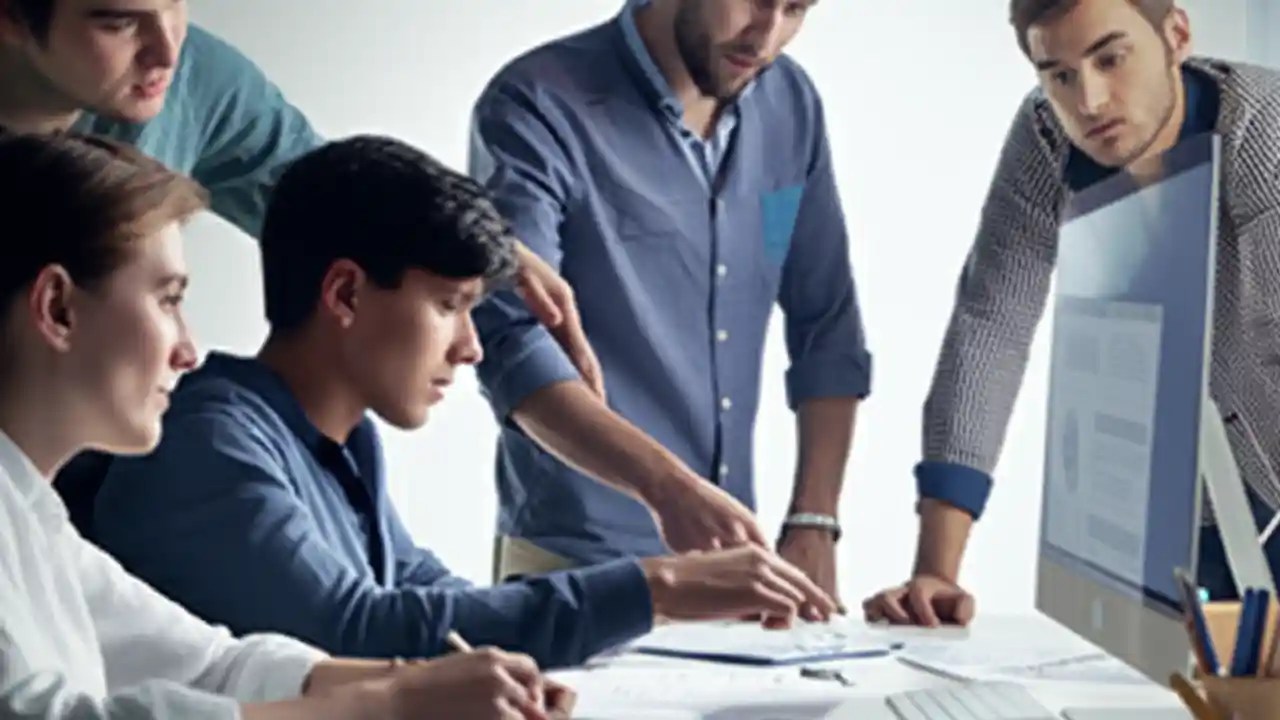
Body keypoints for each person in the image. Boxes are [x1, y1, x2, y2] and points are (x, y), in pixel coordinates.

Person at [0, 0, 761, 559]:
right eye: (117, 21)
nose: (167, 48)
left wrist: (483, 253)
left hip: (86, 523)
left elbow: (347, 200)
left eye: (176, 4)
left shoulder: (193, 78)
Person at [88, 134, 838, 671]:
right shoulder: (209, 441)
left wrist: (636, 620)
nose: (472, 346)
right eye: (449, 304)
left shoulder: (337, 441)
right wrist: (659, 586)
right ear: (345, 293)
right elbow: (357, 629)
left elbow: (429, 594)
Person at [0, 130, 576, 720]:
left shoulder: (35, 523)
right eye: (168, 300)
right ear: (58, 309)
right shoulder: (209, 438)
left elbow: (213, 665)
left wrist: (440, 682)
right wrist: (397, 701)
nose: (188, 350)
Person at [862, 0, 1280, 626]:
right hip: (1184, 497)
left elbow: (1271, 329)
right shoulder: (1047, 135)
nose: (1089, 101)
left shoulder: (1262, 127)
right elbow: (991, 324)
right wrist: (936, 571)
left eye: (1111, 58)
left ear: (1176, 34)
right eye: (1058, 74)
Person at [468, 0, 872, 599]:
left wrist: (814, 519)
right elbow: (511, 346)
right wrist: (668, 490)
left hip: (738, 569)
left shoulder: (790, 104)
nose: (767, 36)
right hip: (574, 568)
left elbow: (826, 323)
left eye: (795, 8)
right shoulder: (538, 102)